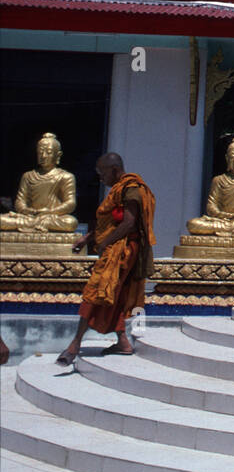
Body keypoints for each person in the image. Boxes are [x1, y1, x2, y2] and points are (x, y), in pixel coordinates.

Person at [56, 154, 155, 363]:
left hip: (124, 251)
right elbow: (109, 222)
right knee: (114, 295)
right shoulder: (117, 190)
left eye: (102, 173)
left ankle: (75, 344)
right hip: (116, 248)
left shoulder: (131, 189)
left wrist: (104, 243)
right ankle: (123, 342)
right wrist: (87, 238)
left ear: (114, 169)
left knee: (95, 291)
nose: (101, 178)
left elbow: (128, 223)